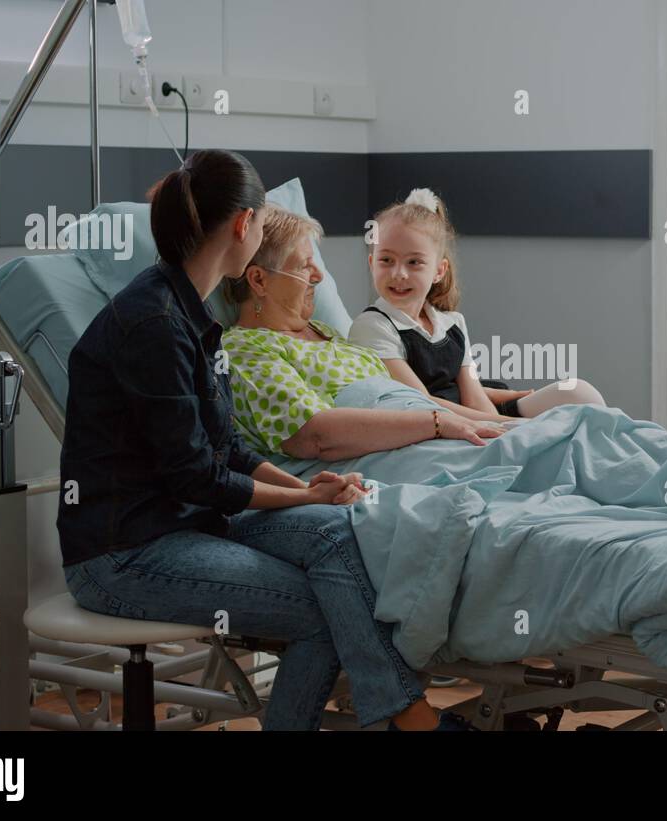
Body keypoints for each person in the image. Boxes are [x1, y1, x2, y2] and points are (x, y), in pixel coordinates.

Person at [58, 149, 468, 730]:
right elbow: (196, 477)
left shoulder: (194, 318)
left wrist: (313, 492)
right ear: (244, 227)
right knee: (320, 612)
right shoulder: (153, 325)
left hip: (191, 522)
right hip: (126, 553)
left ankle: (398, 713)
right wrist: (301, 497)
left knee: (336, 531)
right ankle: (407, 714)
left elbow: (227, 452)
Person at [221, 205, 508, 461]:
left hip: (426, 434)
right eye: (304, 266)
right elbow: (314, 436)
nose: (318, 276)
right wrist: (437, 423)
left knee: (541, 438)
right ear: (259, 280)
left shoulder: (326, 332)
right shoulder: (244, 348)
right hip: (398, 453)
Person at [347, 188, 606, 420]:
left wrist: (502, 420)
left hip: (477, 417)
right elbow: (419, 403)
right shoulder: (372, 326)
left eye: (414, 262)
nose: (399, 273)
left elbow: (473, 394)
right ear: (372, 264)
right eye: (386, 261)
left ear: (439, 271)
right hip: (438, 425)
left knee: (578, 392)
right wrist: (513, 428)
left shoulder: (452, 324)